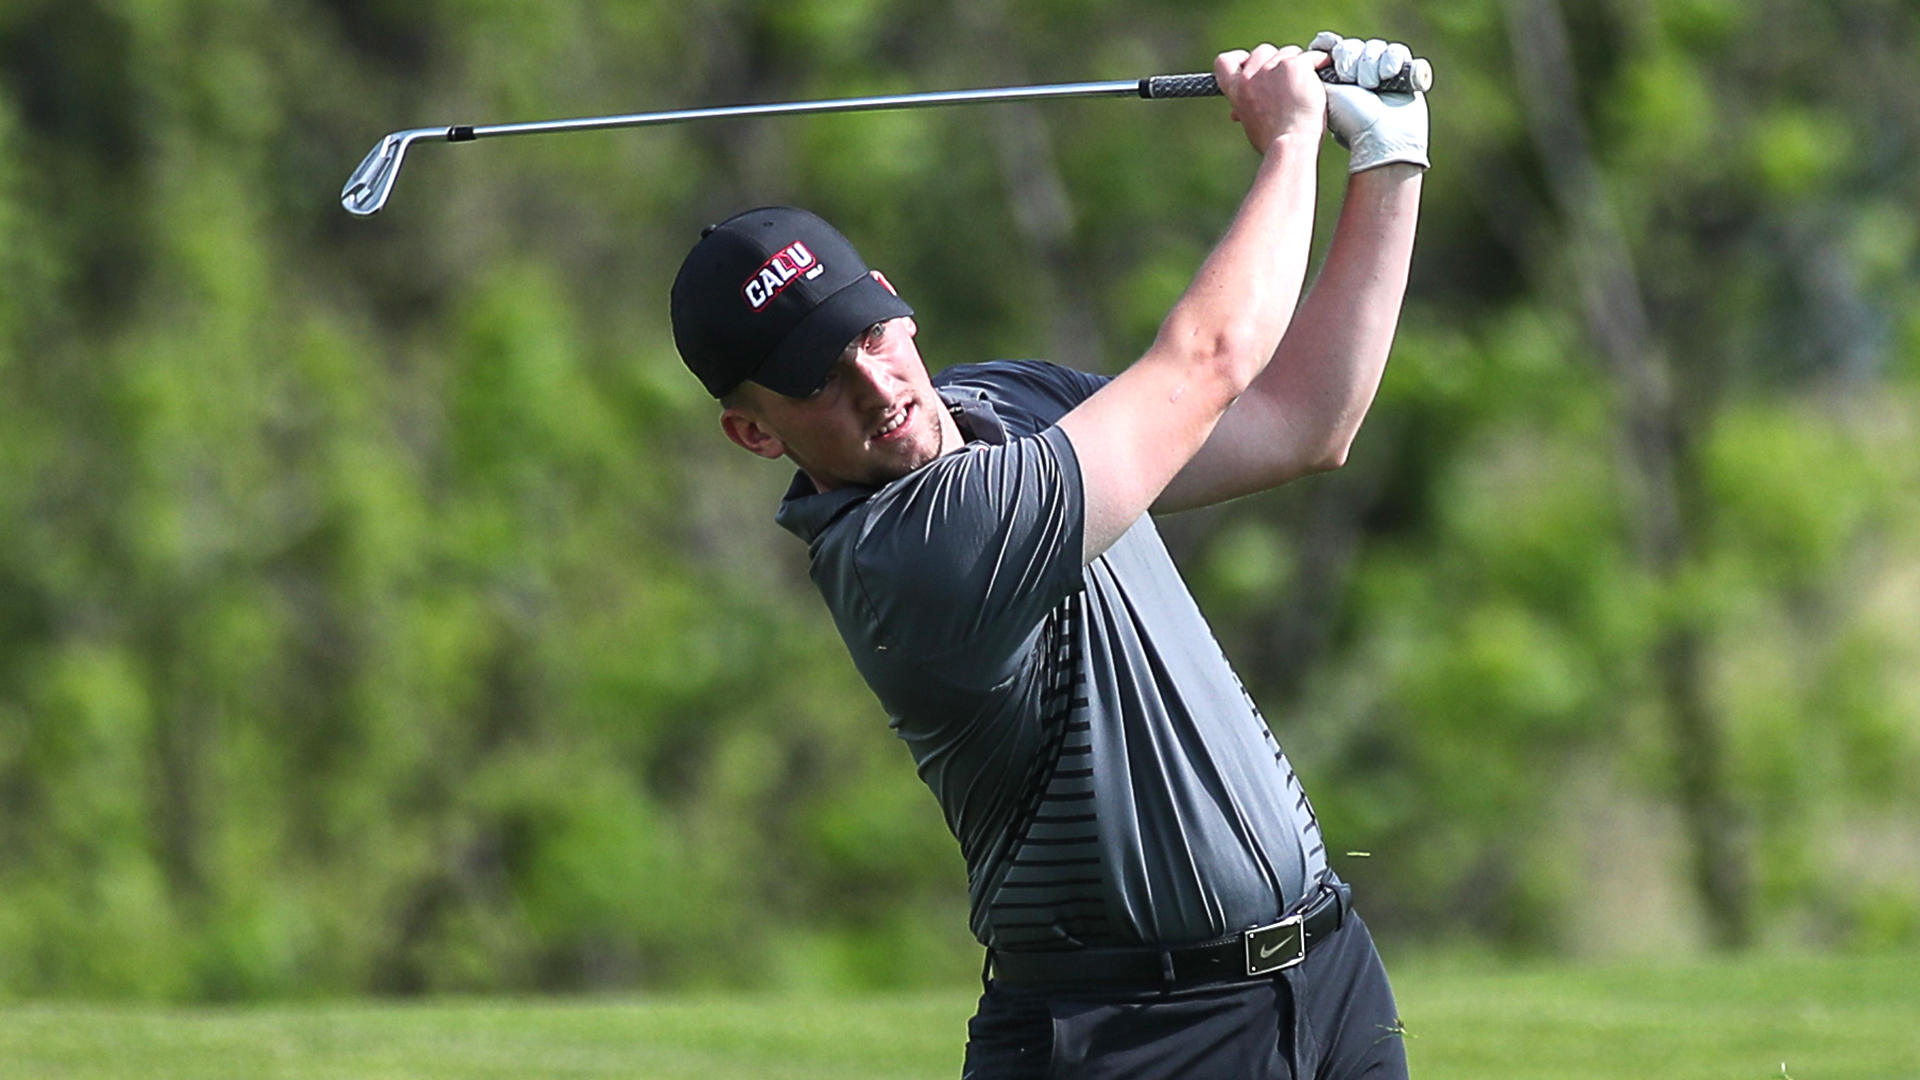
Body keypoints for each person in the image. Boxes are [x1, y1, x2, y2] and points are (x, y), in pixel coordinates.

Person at [670, 32, 1427, 1080]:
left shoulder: (1008, 405)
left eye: (871, 335)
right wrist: (1291, 142)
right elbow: (1206, 363)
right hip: (1127, 1037)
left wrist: (1387, 160)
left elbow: (1304, 424)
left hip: (1326, 977)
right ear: (756, 433)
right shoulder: (911, 555)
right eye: (815, 383)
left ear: (895, 298)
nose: (881, 389)